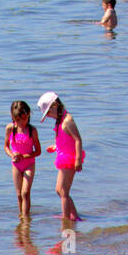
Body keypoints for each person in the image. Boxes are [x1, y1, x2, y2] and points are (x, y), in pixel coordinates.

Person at [38, 92, 83, 222]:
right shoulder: (60, 121)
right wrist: (56, 147)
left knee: (63, 191)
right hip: (63, 156)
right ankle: (74, 216)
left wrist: (78, 160)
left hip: (70, 159)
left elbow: (78, 140)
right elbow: (65, 140)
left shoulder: (67, 121)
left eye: (48, 113)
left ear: (55, 105)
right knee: (59, 190)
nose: (49, 117)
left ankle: (66, 218)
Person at [6, 100, 41, 218]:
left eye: (24, 119)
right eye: (18, 121)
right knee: (19, 195)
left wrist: (24, 156)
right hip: (16, 165)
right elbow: (6, 146)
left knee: (25, 192)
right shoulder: (10, 129)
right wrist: (12, 155)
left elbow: (38, 151)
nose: (22, 123)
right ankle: (22, 217)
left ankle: (26, 220)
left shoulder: (32, 131)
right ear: (13, 118)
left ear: (28, 115)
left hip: (29, 164)